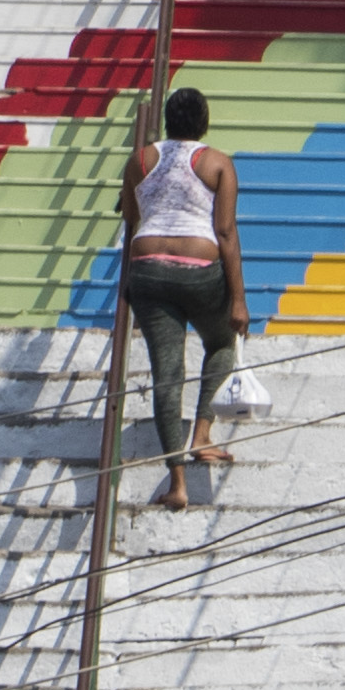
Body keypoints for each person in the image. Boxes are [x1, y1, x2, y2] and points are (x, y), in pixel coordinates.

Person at [120, 83, 246, 517]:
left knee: (167, 375)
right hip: (200, 271)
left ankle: (177, 484)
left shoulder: (139, 160)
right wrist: (239, 300)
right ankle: (202, 436)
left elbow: (131, 218)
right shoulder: (217, 162)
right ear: (204, 123)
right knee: (222, 341)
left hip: (148, 269)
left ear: (167, 121)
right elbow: (225, 232)